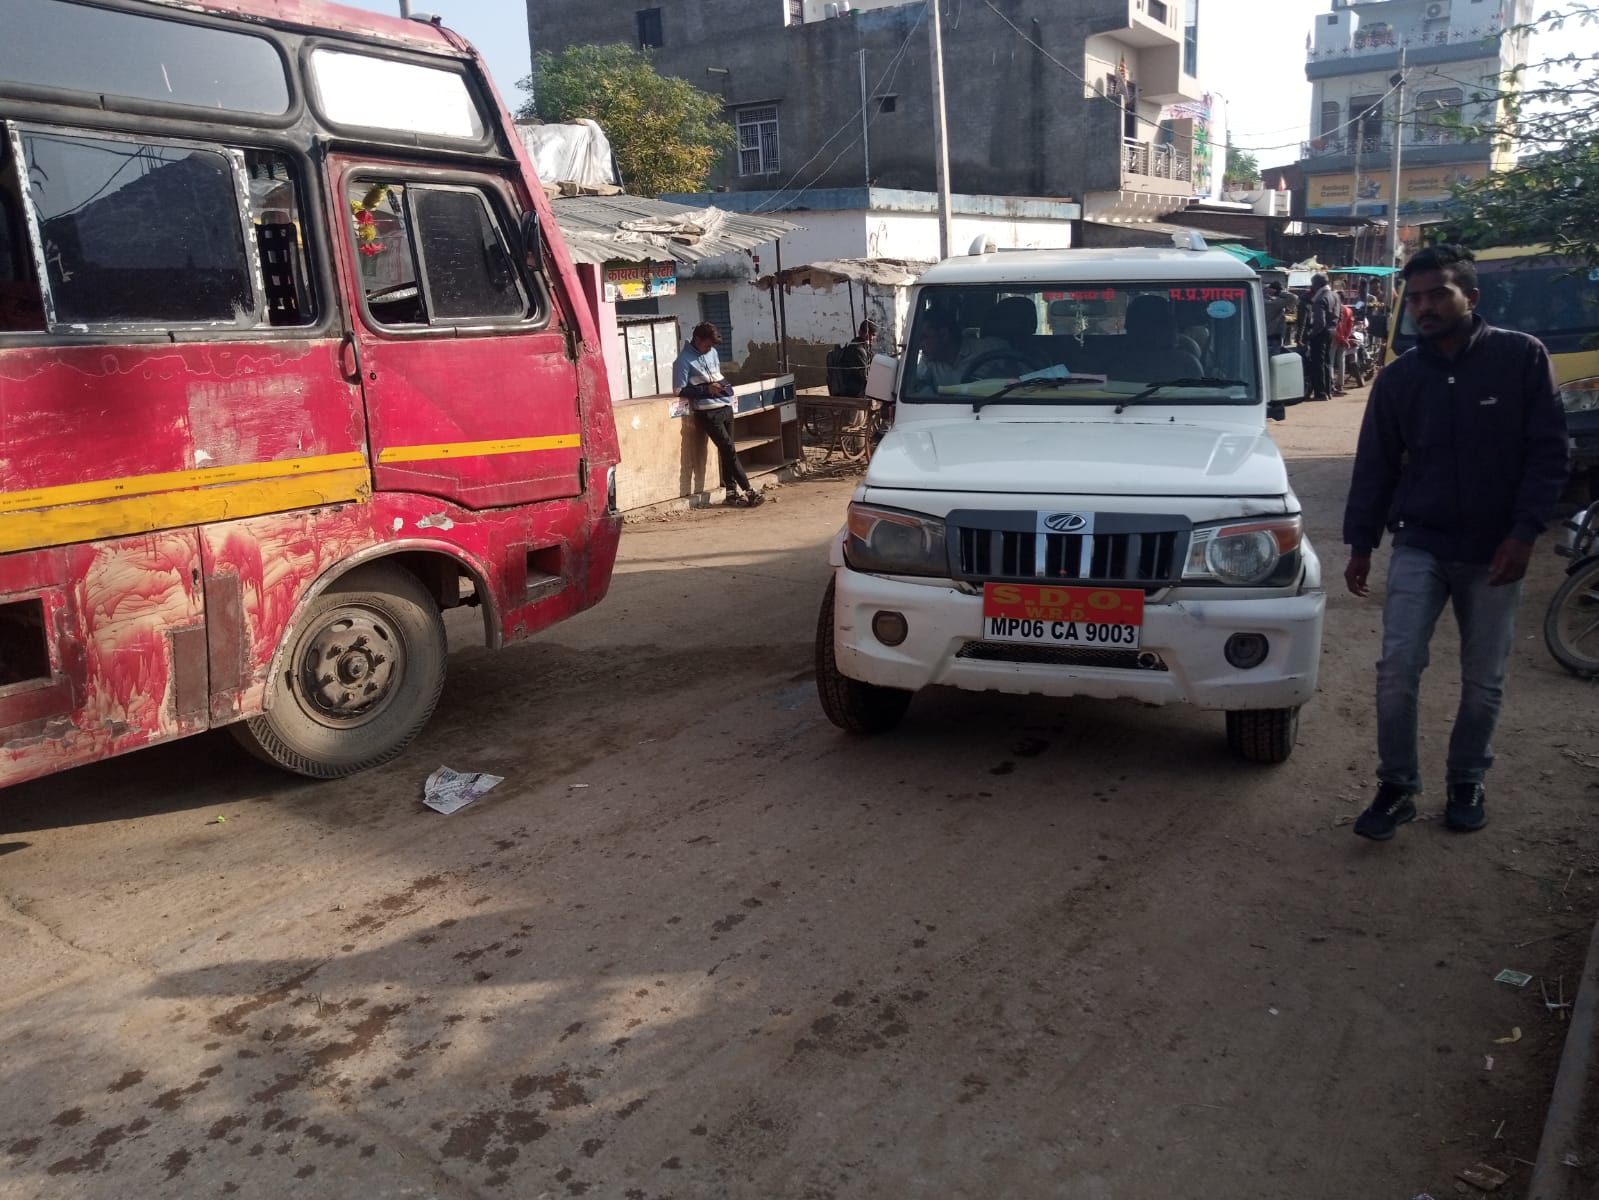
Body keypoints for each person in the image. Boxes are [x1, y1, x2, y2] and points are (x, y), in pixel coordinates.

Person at [1342, 244, 1568, 841]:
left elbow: (1548, 455)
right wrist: (1361, 543)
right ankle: (1397, 787)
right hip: (1422, 542)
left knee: (1483, 676)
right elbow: (1376, 466)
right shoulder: (1398, 379)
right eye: (1414, 298)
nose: (1424, 307)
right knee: (1397, 669)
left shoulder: (1521, 358)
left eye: (1438, 293)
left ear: (1471, 295)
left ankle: (1467, 779)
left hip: (1496, 548)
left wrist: (1524, 534)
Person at [674, 322, 764, 507]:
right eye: (707, 345)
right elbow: (678, 390)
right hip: (708, 412)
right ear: (697, 339)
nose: (709, 349)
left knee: (727, 450)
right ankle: (749, 490)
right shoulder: (682, 361)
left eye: (712, 346)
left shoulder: (712, 353)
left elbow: (716, 375)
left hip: (725, 406)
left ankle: (731, 492)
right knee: (729, 450)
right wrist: (706, 390)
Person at [1304, 274, 1338, 400]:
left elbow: (1320, 322)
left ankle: (1321, 393)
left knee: (1318, 363)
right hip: (1332, 331)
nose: (1311, 286)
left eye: (1312, 283)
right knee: (1327, 362)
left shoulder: (1320, 299)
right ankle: (1328, 391)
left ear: (1317, 284)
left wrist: (1310, 335)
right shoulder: (1335, 295)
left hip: (1321, 333)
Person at [1331, 288, 1354, 395]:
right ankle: (1340, 384)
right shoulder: (1348, 310)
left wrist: (1341, 338)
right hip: (1343, 338)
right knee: (1341, 361)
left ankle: (1331, 383)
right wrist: (1346, 338)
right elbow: (1350, 326)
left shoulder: (1334, 309)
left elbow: (1334, 326)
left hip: (1334, 338)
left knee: (1330, 361)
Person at [1264, 281, 1292, 352]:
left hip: (1262, 334)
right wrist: (1278, 293)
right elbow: (1294, 297)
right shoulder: (1276, 302)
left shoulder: (1258, 299)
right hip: (1274, 336)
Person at [1365, 292, 1390, 366]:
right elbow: (1370, 305)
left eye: (1382, 297)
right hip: (1371, 322)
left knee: (1379, 343)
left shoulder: (1382, 306)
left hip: (1378, 325)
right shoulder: (1374, 303)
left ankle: (1376, 359)